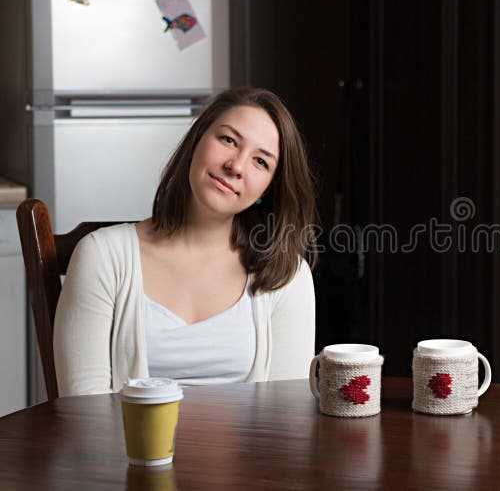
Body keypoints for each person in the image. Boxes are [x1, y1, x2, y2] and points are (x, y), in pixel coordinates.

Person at [53, 88, 318, 396]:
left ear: (267, 190)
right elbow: (83, 413)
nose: (236, 166)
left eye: (260, 161)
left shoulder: (286, 275)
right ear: (196, 142)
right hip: (124, 446)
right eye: (228, 140)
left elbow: (285, 417)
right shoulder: (102, 256)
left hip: (251, 447)